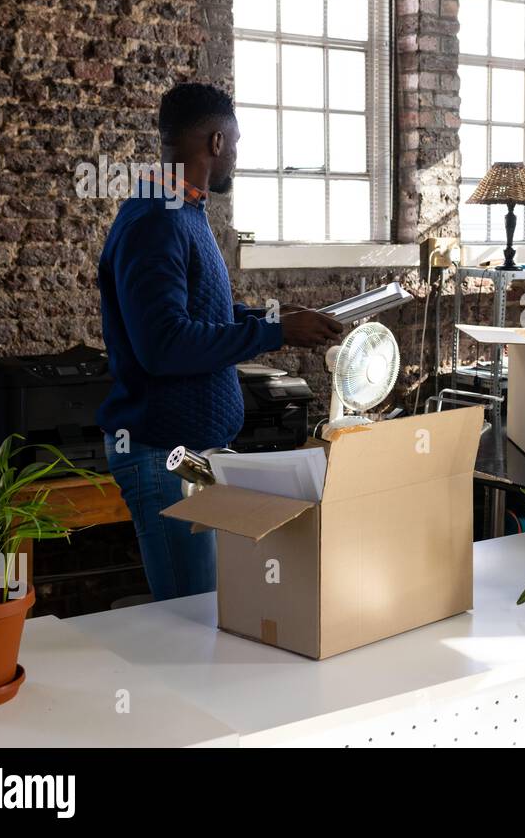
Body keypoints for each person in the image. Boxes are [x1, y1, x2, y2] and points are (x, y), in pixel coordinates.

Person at [97, 83, 343, 600]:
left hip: (195, 455)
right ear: (214, 142)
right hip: (163, 456)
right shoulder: (155, 221)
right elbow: (164, 345)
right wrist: (276, 332)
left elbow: (204, 314)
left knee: (213, 610)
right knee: (191, 618)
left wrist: (278, 317)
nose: (236, 156)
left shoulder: (183, 210)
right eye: (235, 142)